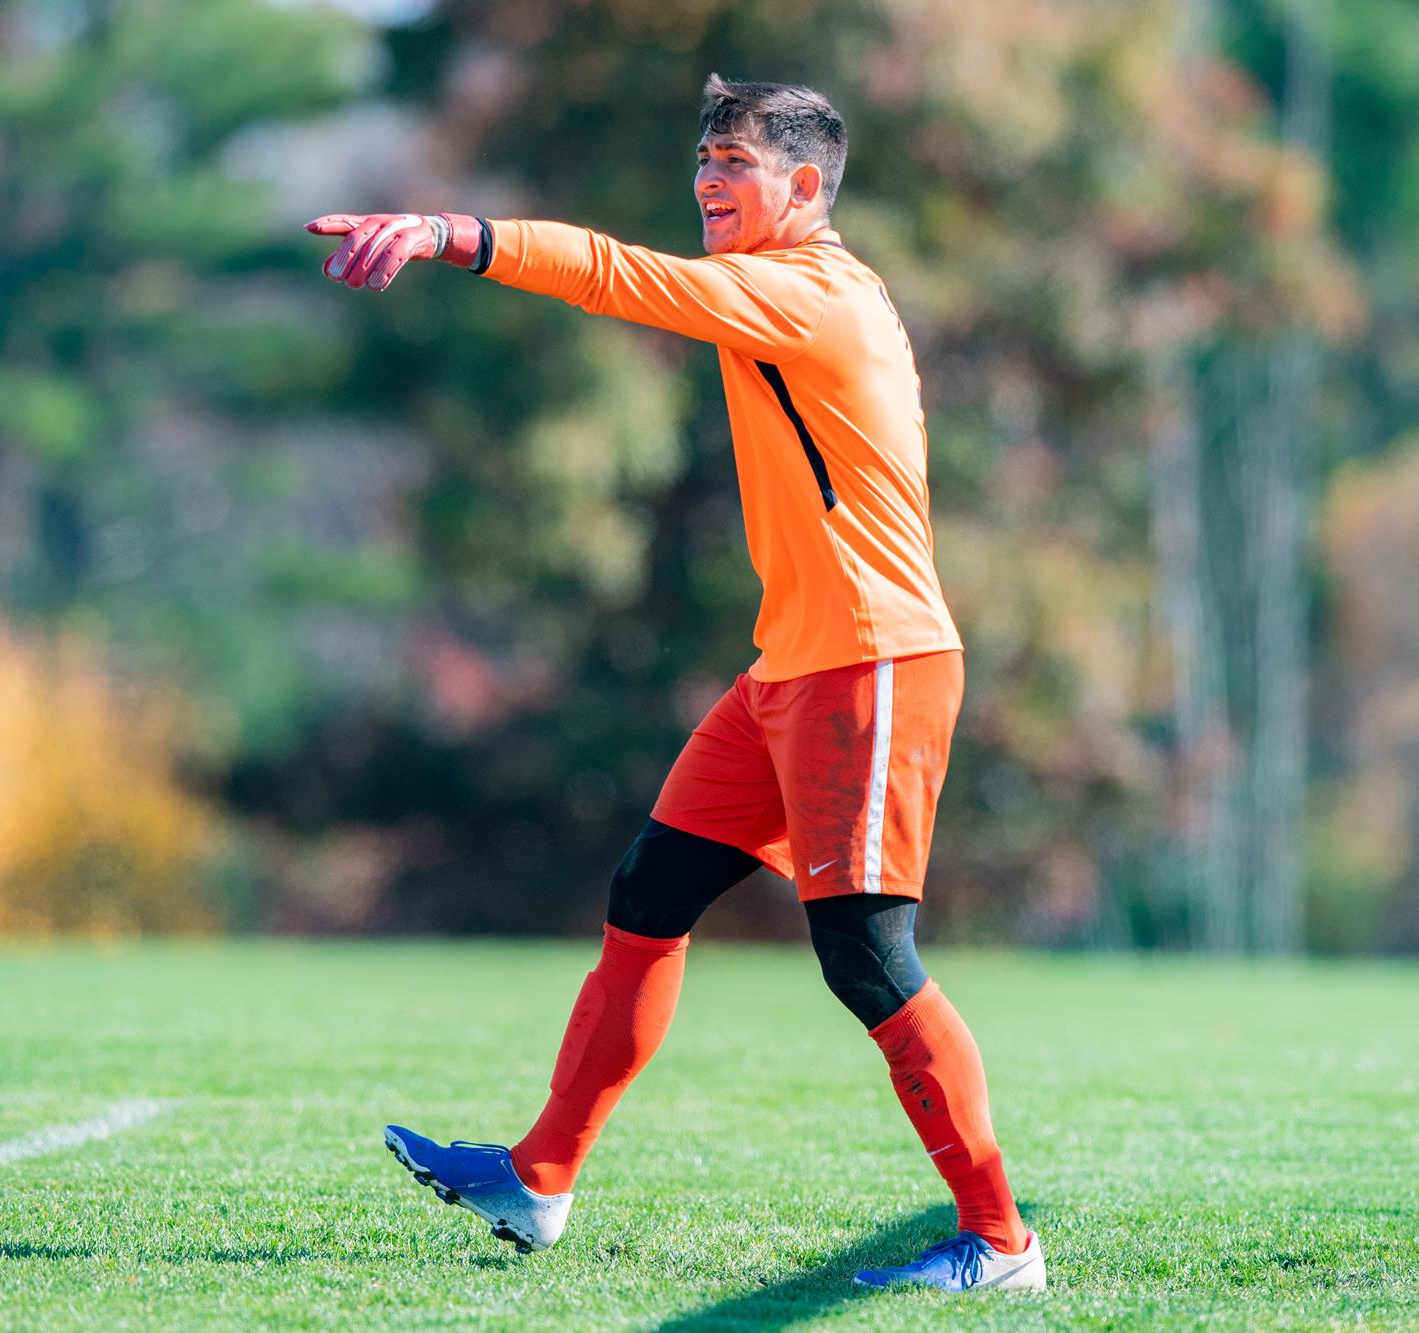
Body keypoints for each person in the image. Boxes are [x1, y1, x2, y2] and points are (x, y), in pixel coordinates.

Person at [307, 74, 1042, 1295]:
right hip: (789, 667)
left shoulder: (807, 293)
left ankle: (1000, 1242)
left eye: (733, 163)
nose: (706, 181)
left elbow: (612, 275)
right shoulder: (787, 288)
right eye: (702, 159)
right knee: (649, 891)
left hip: (871, 663)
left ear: (803, 187)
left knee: (864, 954)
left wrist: (446, 231)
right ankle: (540, 1177)